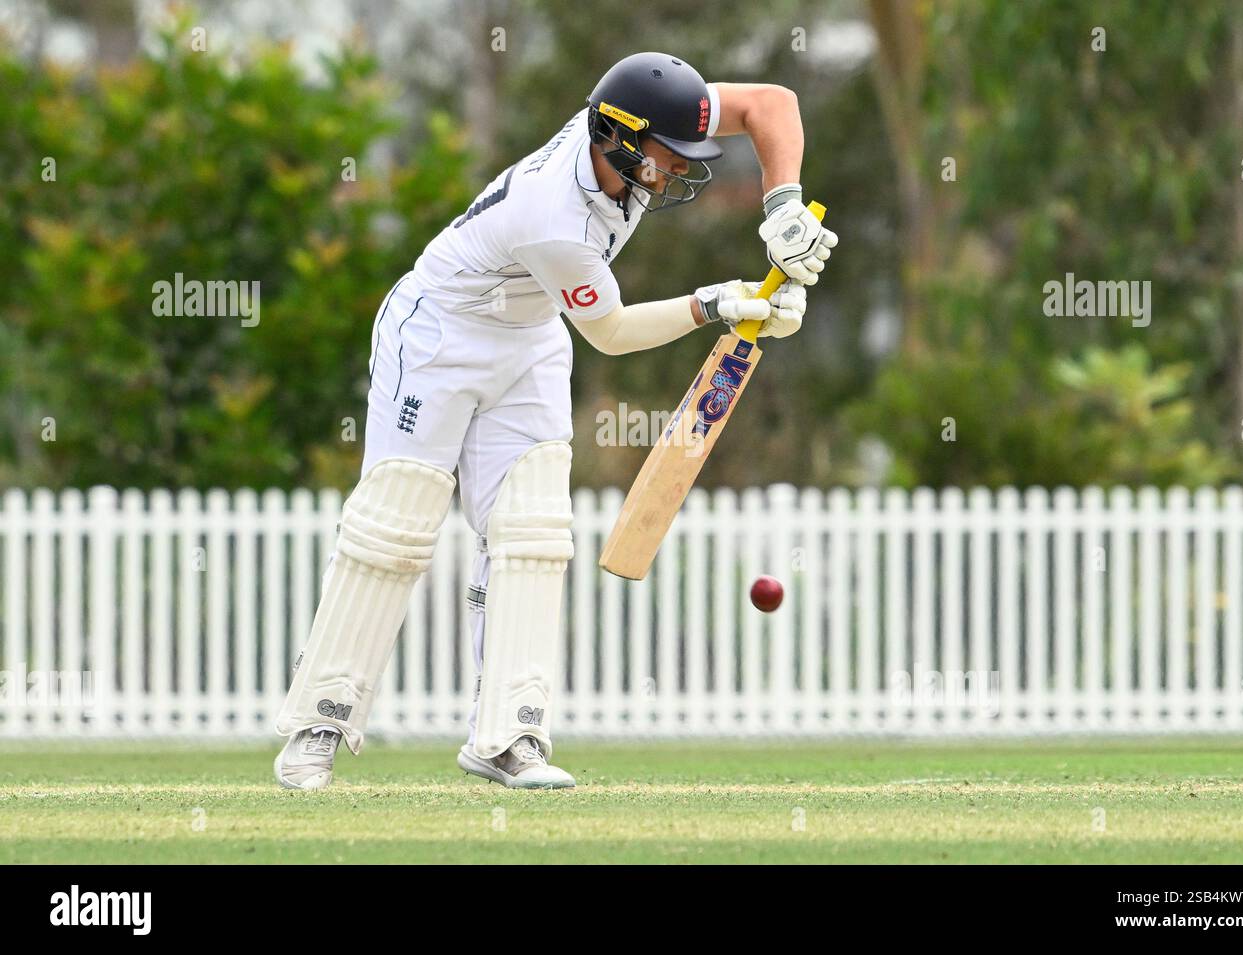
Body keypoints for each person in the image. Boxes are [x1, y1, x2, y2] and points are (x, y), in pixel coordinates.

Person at [273, 51, 838, 790]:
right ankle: (320, 720)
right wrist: (721, 303)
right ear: (622, 139)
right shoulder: (553, 215)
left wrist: (783, 207)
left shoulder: (639, 125)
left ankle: (509, 735)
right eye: (669, 158)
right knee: (398, 520)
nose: (678, 173)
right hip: (440, 332)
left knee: (533, 531)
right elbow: (613, 332)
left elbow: (773, 103)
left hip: (530, 333)